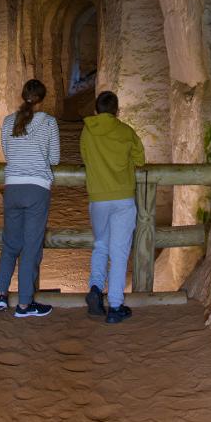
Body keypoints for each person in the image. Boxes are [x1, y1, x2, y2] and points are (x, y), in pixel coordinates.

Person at [0, 78, 60, 317]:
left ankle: (0, 296)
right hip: (36, 189)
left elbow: (8, 152)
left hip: (12, 188)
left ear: (23, 96)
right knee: (31, 247)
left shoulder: (9, 121)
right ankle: (24, 304)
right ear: (43, 100)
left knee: (10, 244)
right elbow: (54, 159)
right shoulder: (49, 122)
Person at [79, 91, 145, 324]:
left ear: (97, 110)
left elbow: (85, 157)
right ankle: (115, 306)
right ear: (117, 111)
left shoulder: (88, 131)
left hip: (98, 197)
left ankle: (96, 288)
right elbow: (139, 159)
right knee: (119, 253)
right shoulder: (126, 132)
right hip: (123, 198)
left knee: (100, 246)